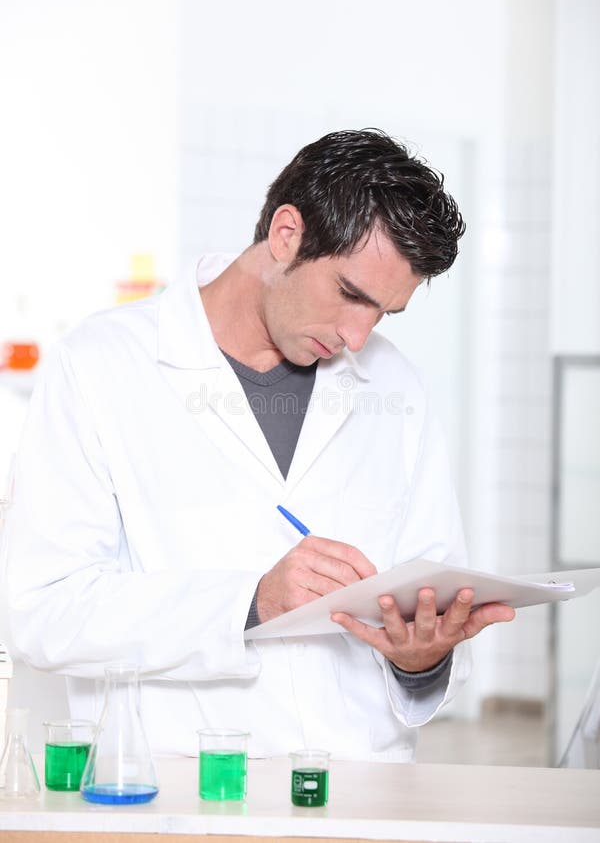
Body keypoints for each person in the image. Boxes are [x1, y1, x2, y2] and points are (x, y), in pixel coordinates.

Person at [2, 129, 514, 760]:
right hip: (183, 787)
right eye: (351, 295)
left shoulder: (396, 384)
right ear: (286, 235)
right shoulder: (102, 365)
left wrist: (423, 660)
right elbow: (40, 610)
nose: (359, 336)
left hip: (360, 792)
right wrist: (249, 602)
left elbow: (427, 589)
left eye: (382, 313)